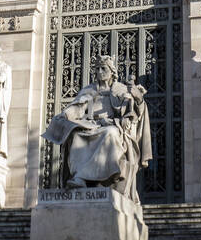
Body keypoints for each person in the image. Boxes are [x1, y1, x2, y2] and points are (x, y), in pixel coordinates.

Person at [42, 56, 151, 201]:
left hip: (113, 125)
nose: (100, 72)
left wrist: (138, 99)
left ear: (112, 72)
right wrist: (66, 115)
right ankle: (79, 178)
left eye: (103, 68)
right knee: (76, 136)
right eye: (97, 69)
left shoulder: (120, 89)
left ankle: (82, 177)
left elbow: (135, 110)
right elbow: (77, 107)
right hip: (90, 125)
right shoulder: (89, 90)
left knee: (110, 133)